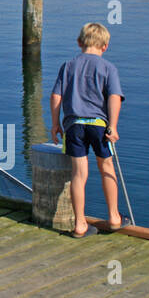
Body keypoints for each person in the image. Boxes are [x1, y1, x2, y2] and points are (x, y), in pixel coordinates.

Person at [50, 23, 128, 237]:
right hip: (98, 125)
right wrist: (112, 125)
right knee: (107, 168)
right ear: (105, 46)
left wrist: (55, 123)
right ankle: (114, 217)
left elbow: (56, 96)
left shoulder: (67, 66)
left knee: (79, 174)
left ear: (79, 42)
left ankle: (80, 224)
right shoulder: (108, 68)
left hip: (74, 126)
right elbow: (114, 97)